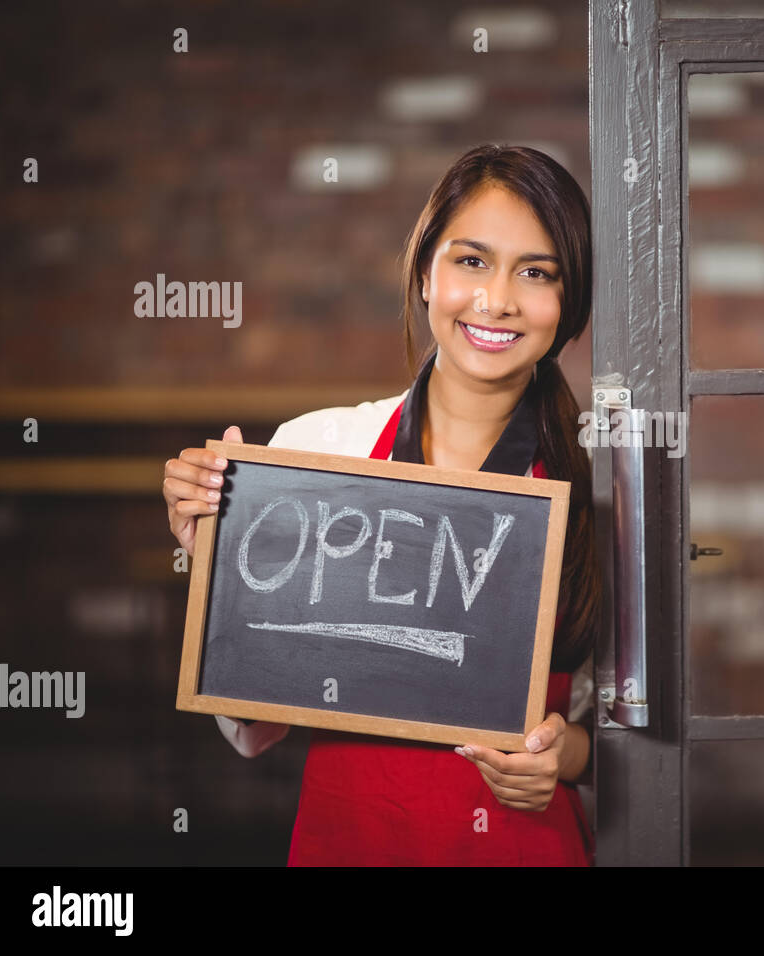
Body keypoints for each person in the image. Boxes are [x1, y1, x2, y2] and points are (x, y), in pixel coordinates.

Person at [162, 145, 602, 865]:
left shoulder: (597, 487)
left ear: (569, 302)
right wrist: (215, 563)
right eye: (470, 261)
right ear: (425, 273)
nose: (497, 300)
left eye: (537, 272)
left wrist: (567, 756)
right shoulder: (316, 450)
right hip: (352, 841)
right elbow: (249, 721)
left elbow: (625, 739)